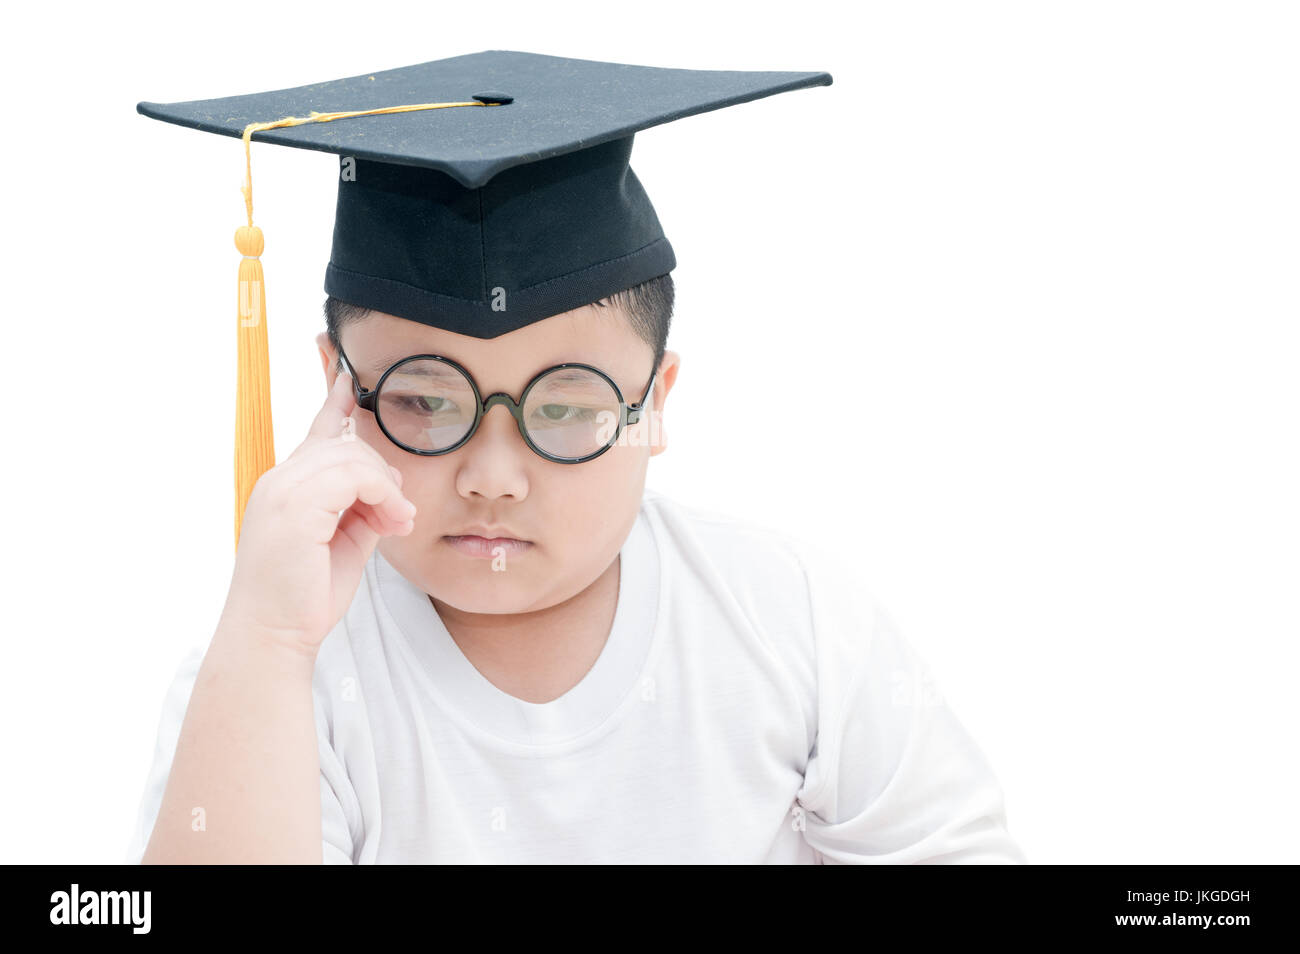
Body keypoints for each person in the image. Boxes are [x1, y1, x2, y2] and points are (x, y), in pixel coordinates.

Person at [125, 50, 1026, 864]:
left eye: (565, 410)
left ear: (653, 406)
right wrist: (271, 644)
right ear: (336, 390)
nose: (493, 476)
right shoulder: (278, 669)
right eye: (423, 402)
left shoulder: (787, 620)